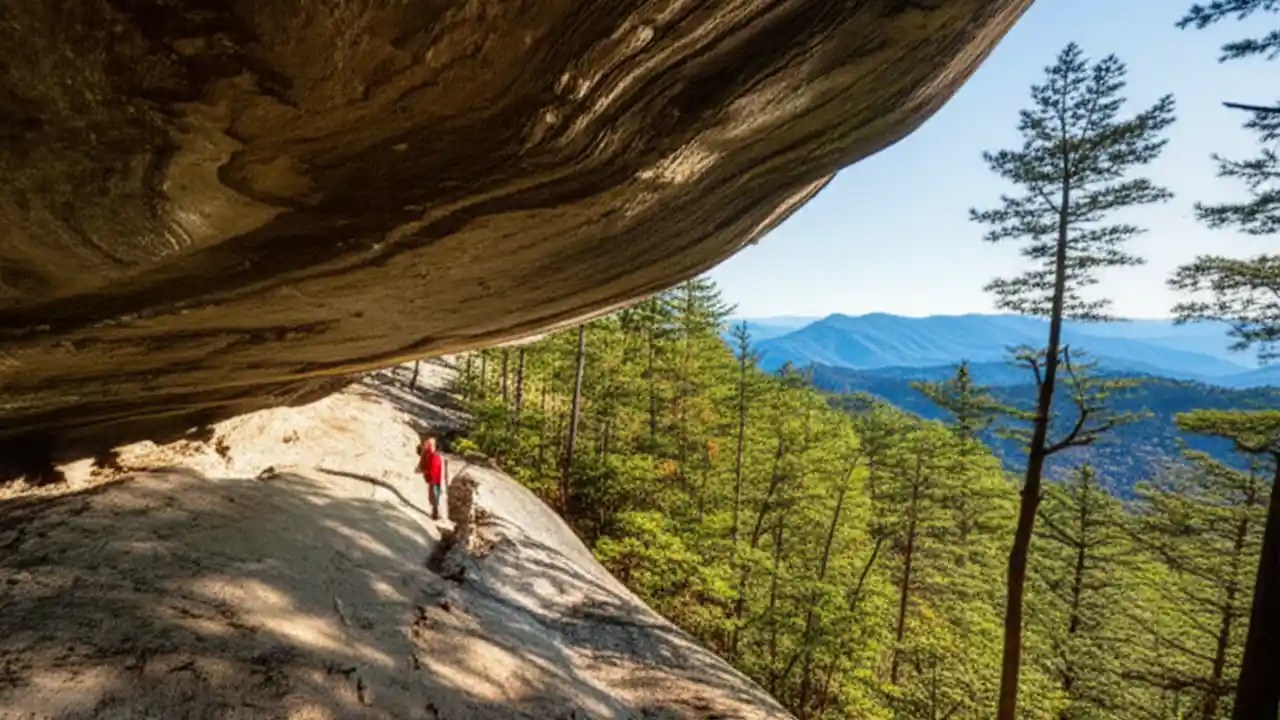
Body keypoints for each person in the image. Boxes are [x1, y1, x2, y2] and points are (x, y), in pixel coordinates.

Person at [417, 436, 447, 519]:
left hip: (434, 474)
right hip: (436, 474)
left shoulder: (429, 452)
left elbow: (426, 462)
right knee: (436, 491)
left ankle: (436, 511)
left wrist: (424, 471)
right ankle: (436, 510)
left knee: (434, 492)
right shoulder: (435, 455)